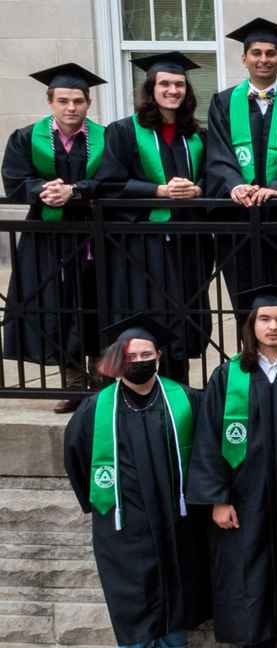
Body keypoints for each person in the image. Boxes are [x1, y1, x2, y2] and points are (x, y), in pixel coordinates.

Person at [190, 285, 277, 648]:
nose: (273, 327)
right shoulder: (228, 376)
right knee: (248, 570)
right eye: (265, 319)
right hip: (244, 498)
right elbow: (208, 439)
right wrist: (217, 498)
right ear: (251, 324)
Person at [62, 317, 212, 648]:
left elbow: (206, 455)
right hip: (124, 529)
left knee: (175, 603)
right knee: (133, 609)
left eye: (146, 356)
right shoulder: (93, 410)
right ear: (119, 360)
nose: (140, 363)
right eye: (132, 357)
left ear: (158, 356)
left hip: (177, 523)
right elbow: (76, 458)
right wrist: (99, 501)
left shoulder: (185, 401)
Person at [94, 53, 216, 386]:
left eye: (179, 84)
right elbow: (108, 185)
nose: (172, 90)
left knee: (184, 314)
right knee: (144, 312)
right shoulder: (122, 132)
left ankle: (179, 384)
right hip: (142, 245)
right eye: (165, 83)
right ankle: (135, 383)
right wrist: (159, 191)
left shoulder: (197, 134)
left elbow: (213, 177)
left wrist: (198, 189)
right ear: (151, 88)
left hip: (188, 243)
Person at [4, 63, 105, 411]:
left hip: (96, 237)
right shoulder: (25, 138)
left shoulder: (105, 138)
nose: (71, 108)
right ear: (50, 102)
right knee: (60, 307)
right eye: (63, 100)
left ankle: (104, 380)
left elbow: (112, 180)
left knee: (97, 303)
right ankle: (74, 383)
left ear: (88, 103)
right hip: (48, 238)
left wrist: (76, 191)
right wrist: (43, 190)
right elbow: (15, 181)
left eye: (78, 100)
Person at [203, 19, 277, 294]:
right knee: (243, 293)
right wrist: (235, 184)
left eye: (270, 54)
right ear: (244, 58)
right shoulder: (223, 102)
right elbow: (218, 151)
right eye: (256, 53)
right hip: (237, 216)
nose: (263, 59)